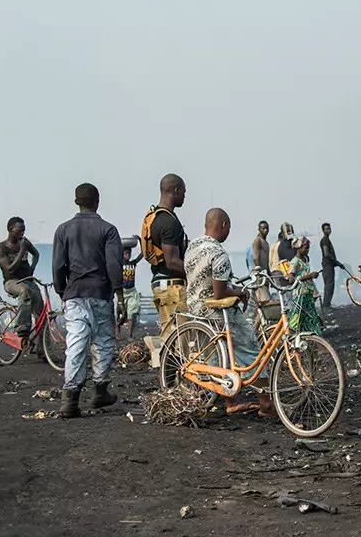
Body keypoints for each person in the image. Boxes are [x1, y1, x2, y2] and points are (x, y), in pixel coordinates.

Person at [185, 208, 274, 416]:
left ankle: (230, 401)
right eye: (229, 228)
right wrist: (241, 293)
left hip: (196, 311)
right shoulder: (219, 253)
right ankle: (266, 403)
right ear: (224, 225)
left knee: (218, 356)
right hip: (216, 312)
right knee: (252, 348)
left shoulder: (193, 247)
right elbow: (219, 292)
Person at [52, 183, 125, 418]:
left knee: (76, 344)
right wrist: (120, 295)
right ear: (98, 201)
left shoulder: (63, 230)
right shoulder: (108, 230)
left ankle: (70, 399)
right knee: (103, 342)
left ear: (76, 202)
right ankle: (99, 392)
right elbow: (114, 264)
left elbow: (58, 266)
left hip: (74, 294)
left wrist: (63, 291)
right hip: (101, 294)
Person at [141, 173, 188, 363]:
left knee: (171, 334)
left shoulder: (156, 216)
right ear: (175, 190)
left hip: (161, 283)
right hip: (172, 287)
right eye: (183, 192)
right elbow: (172, 261)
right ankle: (171, 383)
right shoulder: (168, 222)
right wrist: (196, 272)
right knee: (176, 338)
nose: (184, 196)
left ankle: (171, 381)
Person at [0, 217, 42, 343]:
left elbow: (36, 254)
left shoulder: (25, 243)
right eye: (19, 230)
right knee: (24, 291)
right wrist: (22, 250)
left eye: (24, 230)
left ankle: (43, 350)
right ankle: (22, 328)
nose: (22, 233)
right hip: (11, 282)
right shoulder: (1, 247)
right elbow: (9, 270)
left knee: (42, 314)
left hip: (27, 280)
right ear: (10, 230)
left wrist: (32, 267)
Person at [279, 236, 323, 335]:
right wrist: (309, 276)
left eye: (308, 248)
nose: (307, 250)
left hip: (307, 293)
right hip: (300, 294)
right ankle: (290, 338)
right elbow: (291, 280)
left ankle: (312, 338)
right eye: (305, 248)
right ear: (298, 247)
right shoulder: (295, 261)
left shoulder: (304, 260)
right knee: (295, 318)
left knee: (310, 318)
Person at [319, 222, 346, 317]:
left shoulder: (327, 240)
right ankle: (326, 307)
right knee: (329, 286)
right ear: (323, 230)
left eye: (329, 229)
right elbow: (326, 254)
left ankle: (327, 304)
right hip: (327, 266)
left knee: (330, 286)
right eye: (326, 229)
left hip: (329, 266)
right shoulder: (325, 240)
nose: (328, 230)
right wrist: (337, 263)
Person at [116, 246, 142, 341]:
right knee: (121, 314)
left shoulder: (132, 263)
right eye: (125, 253)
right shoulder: (119, 264)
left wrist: (140, 240)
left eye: (129, 253)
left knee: (131, 313)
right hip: (122, 292)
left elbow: (142, 255)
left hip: (131, 291)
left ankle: (129, 335)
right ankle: (117, 329)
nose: (128, 255)